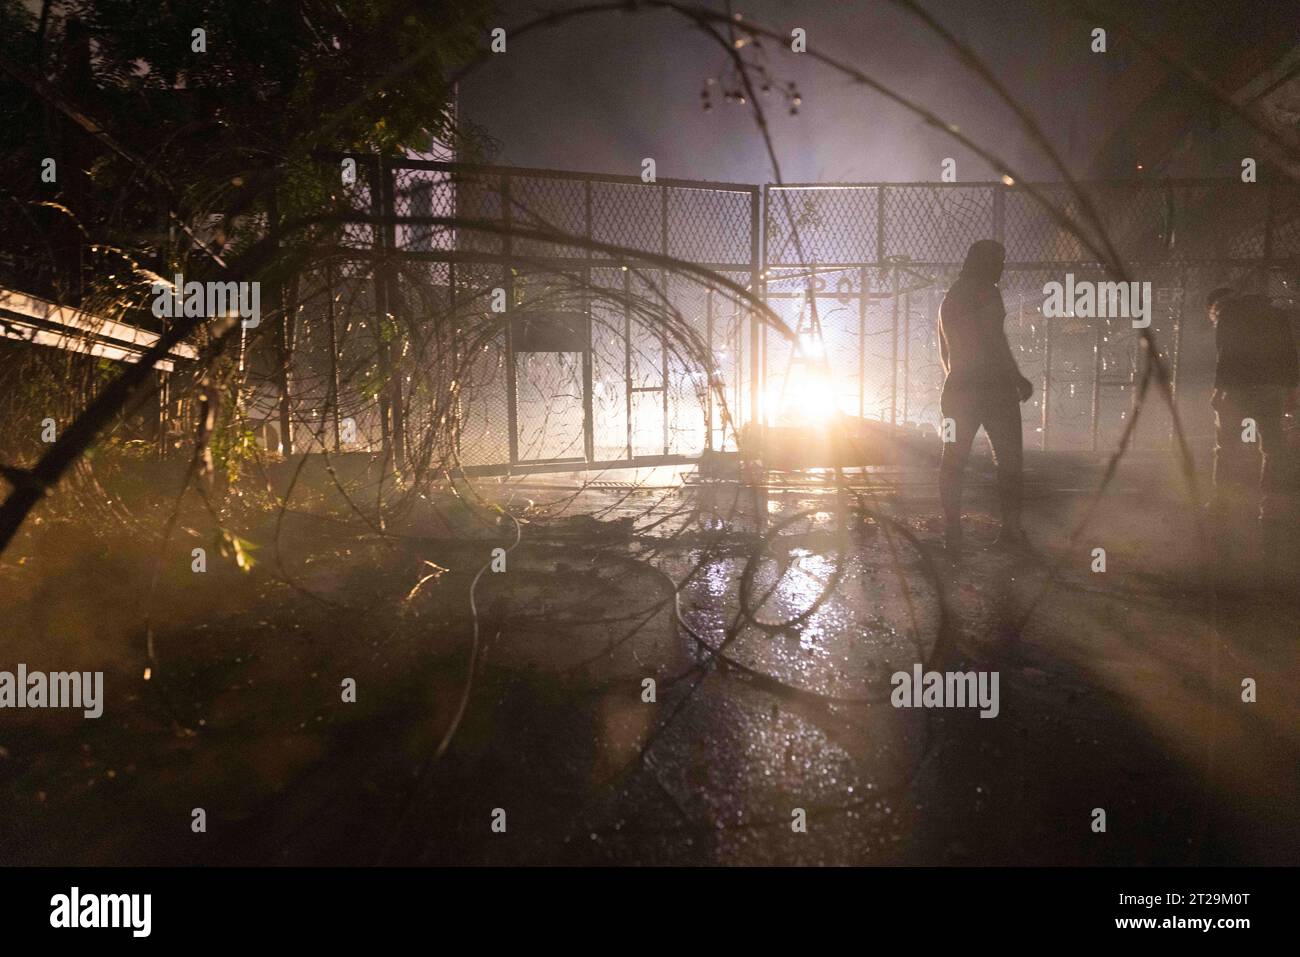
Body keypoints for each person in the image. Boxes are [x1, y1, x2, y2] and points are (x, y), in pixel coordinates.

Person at [937, 240, 1034, 555]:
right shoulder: (986, 292)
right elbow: (994, 338)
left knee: (953, 459)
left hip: (958, 387)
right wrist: (1015, 375)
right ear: (984, 263)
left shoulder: (951, 297)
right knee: (1009, 459)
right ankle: (1012, 530)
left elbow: (945, 352)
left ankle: (953, 531)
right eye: (998, 260)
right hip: (994, 388)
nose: (1001, 267)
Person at [1205, 286, 1298, 565]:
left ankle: (1223, 504)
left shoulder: (1226, 315)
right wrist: (1291, 388)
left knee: (1226, 447)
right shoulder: (1277, 315)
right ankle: (1269, 508)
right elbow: (1290, 355)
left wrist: (1218, 390)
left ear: (1214, 307)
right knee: (1272, 449)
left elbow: (1225, 355)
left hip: (1238, 390)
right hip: (1271, 389)